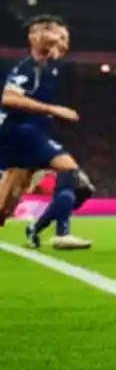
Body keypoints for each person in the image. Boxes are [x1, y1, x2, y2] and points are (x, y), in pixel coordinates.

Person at [0, 15, 93, 249]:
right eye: (60, 37)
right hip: (18, 134)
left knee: (4, 208)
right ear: (37, 37)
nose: (64, 43)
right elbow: (9, 98)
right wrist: (53, 110)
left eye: (65, 39)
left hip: (30, 135)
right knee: (69, 170)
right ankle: (62, 234)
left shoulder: (50, 68)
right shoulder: (28, 68)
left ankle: (38, 228)